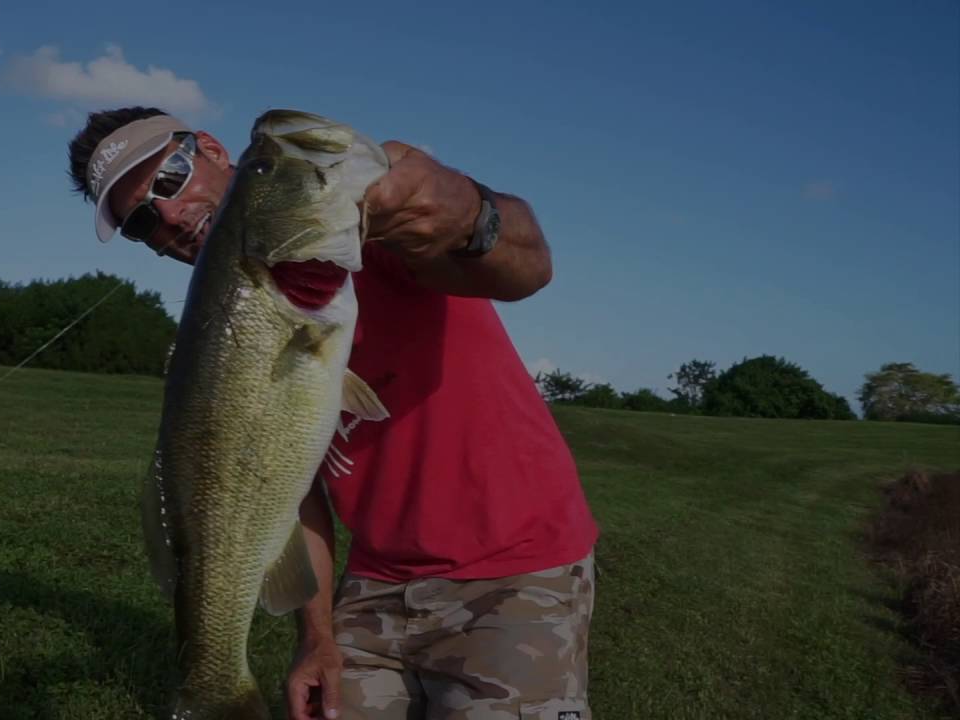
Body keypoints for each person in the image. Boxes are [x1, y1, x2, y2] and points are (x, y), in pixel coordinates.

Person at [66, 107, 600, 720]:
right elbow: (292, 497)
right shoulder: (208, 337)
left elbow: (528, 266)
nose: (168, 217)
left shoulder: (382, 230)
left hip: (517, 572)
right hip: (375, 581)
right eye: (139, 223)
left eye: (168, 181)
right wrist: (316, 638)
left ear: (213, 151)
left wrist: (467, 211)